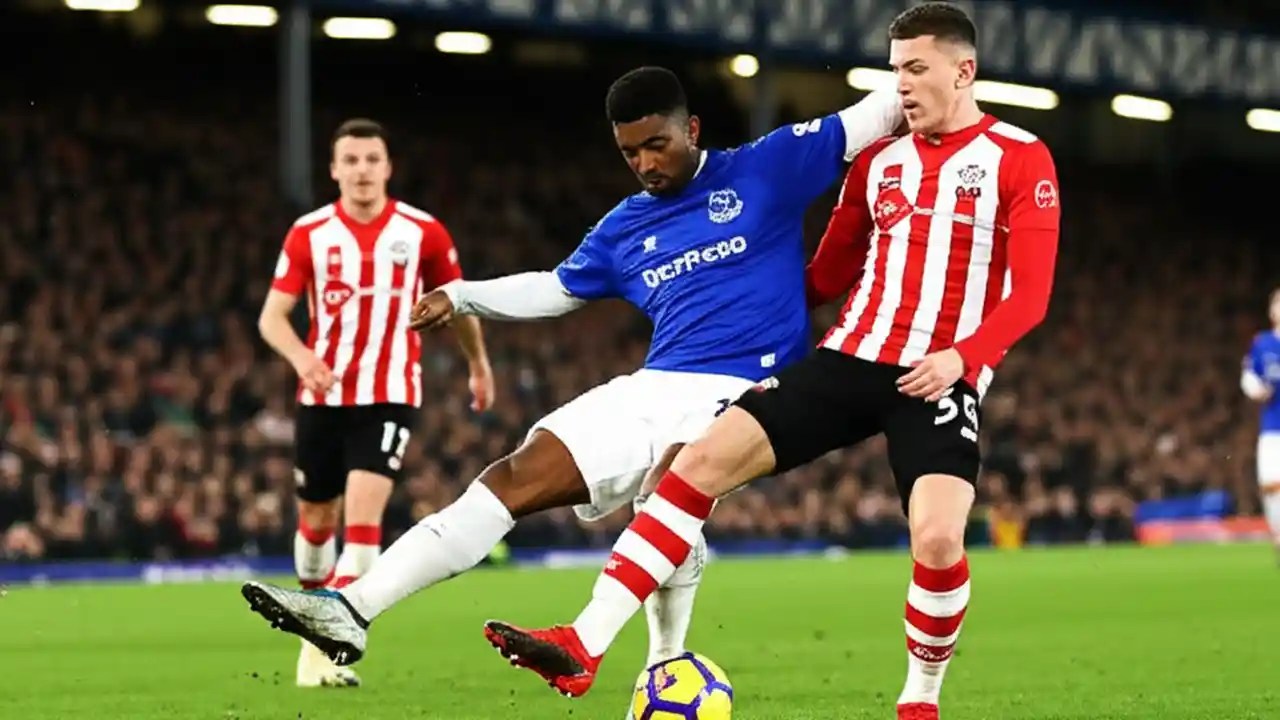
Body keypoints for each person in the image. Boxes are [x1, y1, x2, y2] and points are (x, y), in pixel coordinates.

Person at [485, 5, 1061, 720]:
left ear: (963, 70)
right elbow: (823, 274)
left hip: (937, 374)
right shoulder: (880, 162)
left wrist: (963, 359)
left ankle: (920, 698)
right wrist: (734, 300)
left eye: (916, 69)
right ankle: (584, 642)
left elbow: (1031, 294)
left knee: (940, 537)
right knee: (693, 464)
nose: (902, 87)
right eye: (896, 72)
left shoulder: (1020, 156)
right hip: (849, 358)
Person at [238, 67, 904, 684]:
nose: (646, 164)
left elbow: (880, 110)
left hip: (752, 391)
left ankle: (610, 651)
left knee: (669, 485)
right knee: (510, 477)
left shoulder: (767, 167)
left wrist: (931, 63)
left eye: (657, 145)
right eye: (629, 153)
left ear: (691, 129)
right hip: (656, 383)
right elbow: (557, 290)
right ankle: (351, 609)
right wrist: (463, 294)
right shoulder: (626, 226)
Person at [258, 118, 495, 687]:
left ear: (387, 168)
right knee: (316, 522)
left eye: (372, 159)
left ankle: (318, 656)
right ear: (334, 169)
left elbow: (457, 303)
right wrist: (303, 359)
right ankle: (313, 624)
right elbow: (272, 318)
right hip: (322, 395)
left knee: (362, 527)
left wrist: (478, 364)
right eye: (351, 160)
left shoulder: (423, 232)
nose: (362, 170)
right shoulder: (309, 233)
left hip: (390, 392)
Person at [1240, 287, 1280, 563]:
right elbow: (1248, 375)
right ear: (1271, 310)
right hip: (1273, 427)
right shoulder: (1262, 343)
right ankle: (1278, 533)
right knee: (1270, 484)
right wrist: (1255, 389)